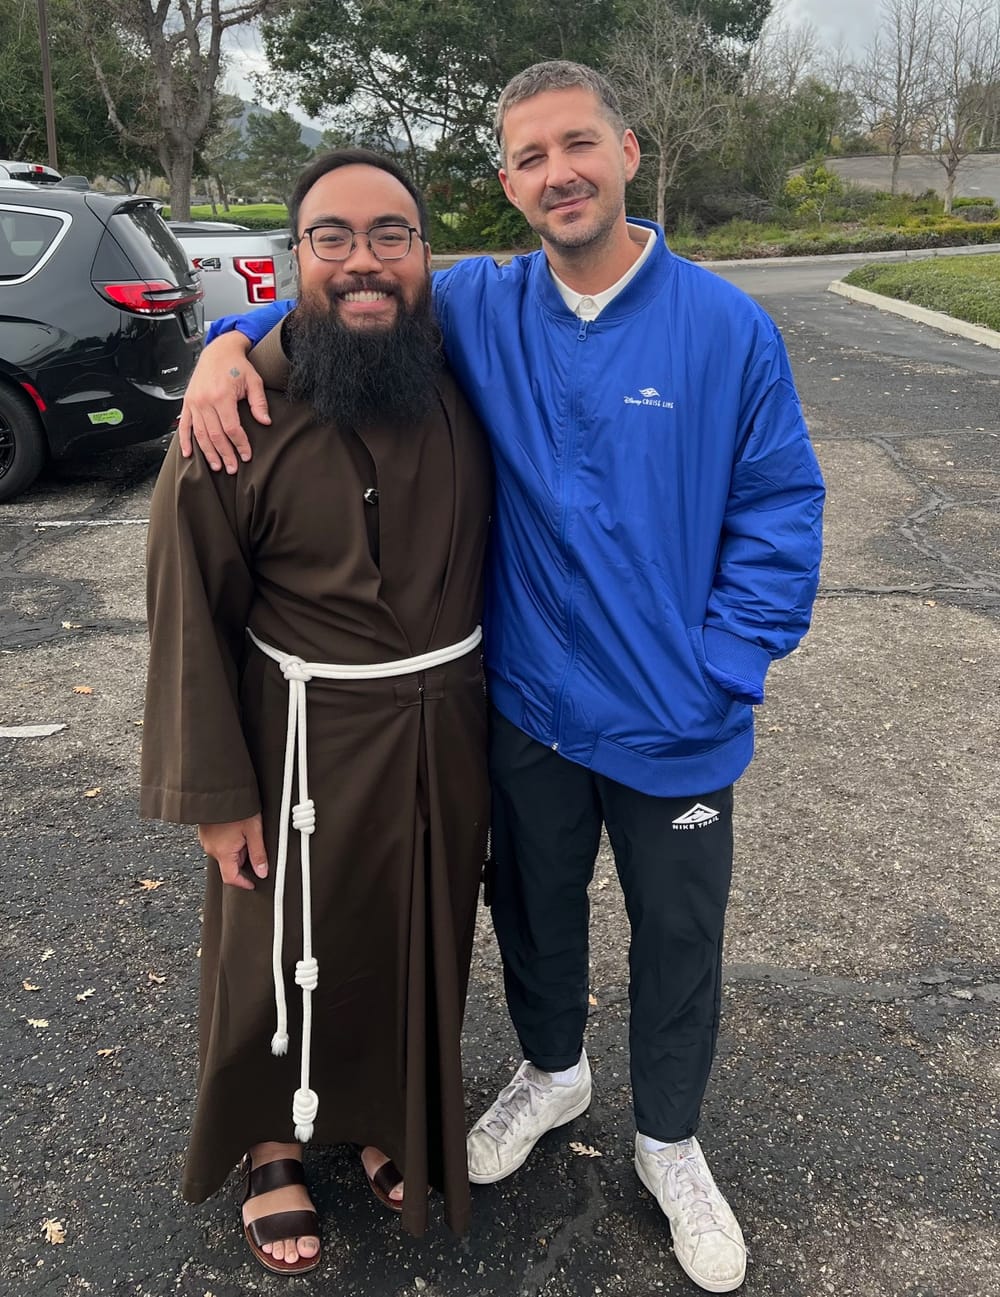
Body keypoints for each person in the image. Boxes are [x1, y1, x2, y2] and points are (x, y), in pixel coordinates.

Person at [177, 62, 825, 1294]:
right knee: (532, 911)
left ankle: (669, 1140)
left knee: (677, 935)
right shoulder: (484, 301)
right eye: (528, 157)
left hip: (674, 721)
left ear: (628, 151)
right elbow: (349, 291)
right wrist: (225, 346)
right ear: (506, 184)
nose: (556, 173)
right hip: (526, 704)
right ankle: (550, 1071)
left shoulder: (725, 326)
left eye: (576, 145)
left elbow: (780, 507)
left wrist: (726, 665)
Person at [141, 148, 492, 1273]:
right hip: (291, 735)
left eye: (391, 234)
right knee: (271, 942)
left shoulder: (462, 366)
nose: (362, 261)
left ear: (425, 253)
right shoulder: (233, 416)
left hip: (439, 725)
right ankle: (270, 1143)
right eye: (331, 238)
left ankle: (389, 1112)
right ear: (293, 260)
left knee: (411, 930)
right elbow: (185, 609)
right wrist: (215, 794)